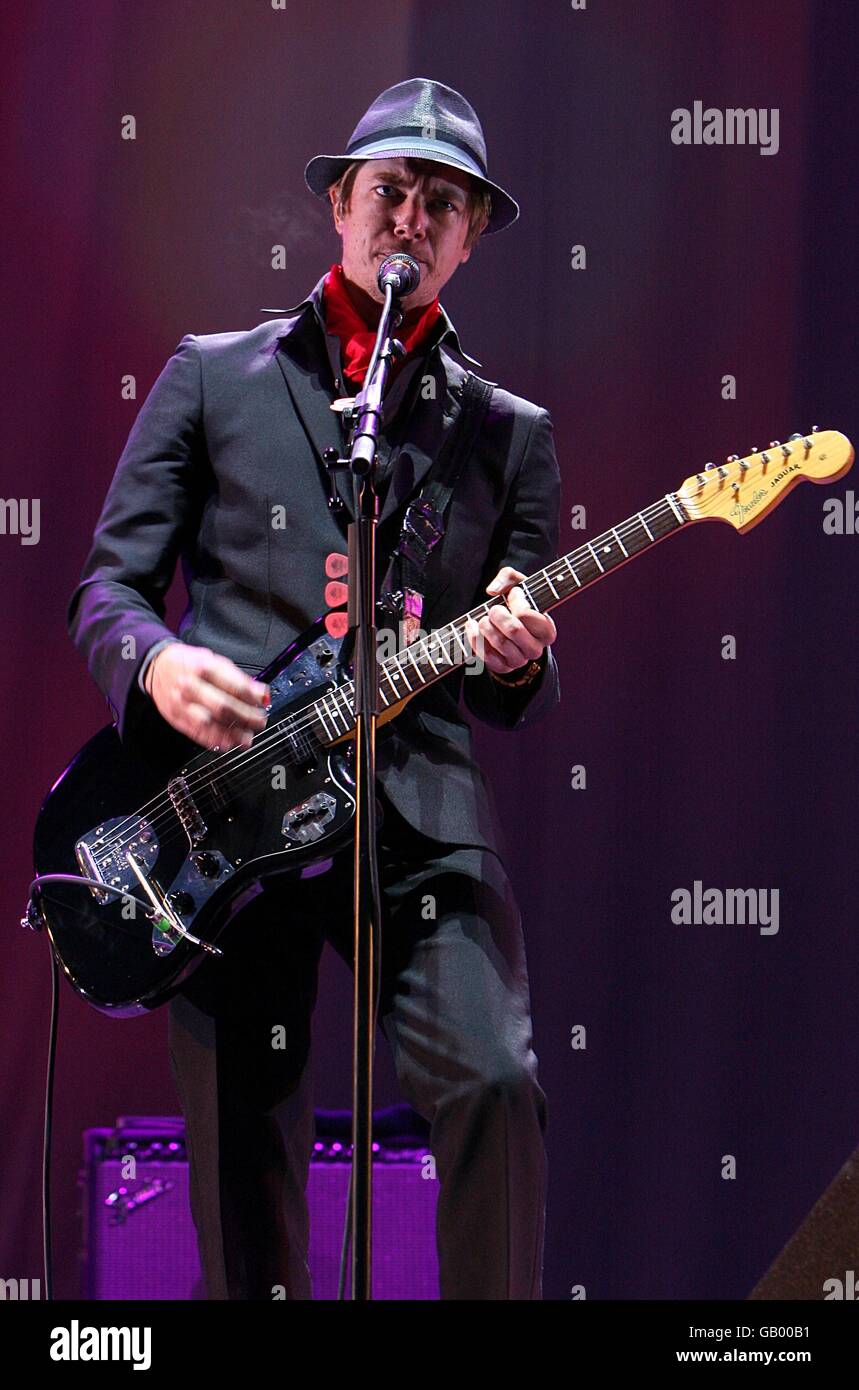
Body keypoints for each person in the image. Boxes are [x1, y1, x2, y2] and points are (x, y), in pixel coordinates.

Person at [68, 77, 562, 1300]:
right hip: (226, 815)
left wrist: (521, 652)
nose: (413, 218)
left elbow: (513, 682)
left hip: (415, 810)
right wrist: (159, 663)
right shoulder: (214, 375)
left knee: (494, 1079)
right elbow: (109, 589)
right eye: (391, 189)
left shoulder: (508, 433)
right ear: (341, 203)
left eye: (444, 204)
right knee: (244, 1158)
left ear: (470, 238)